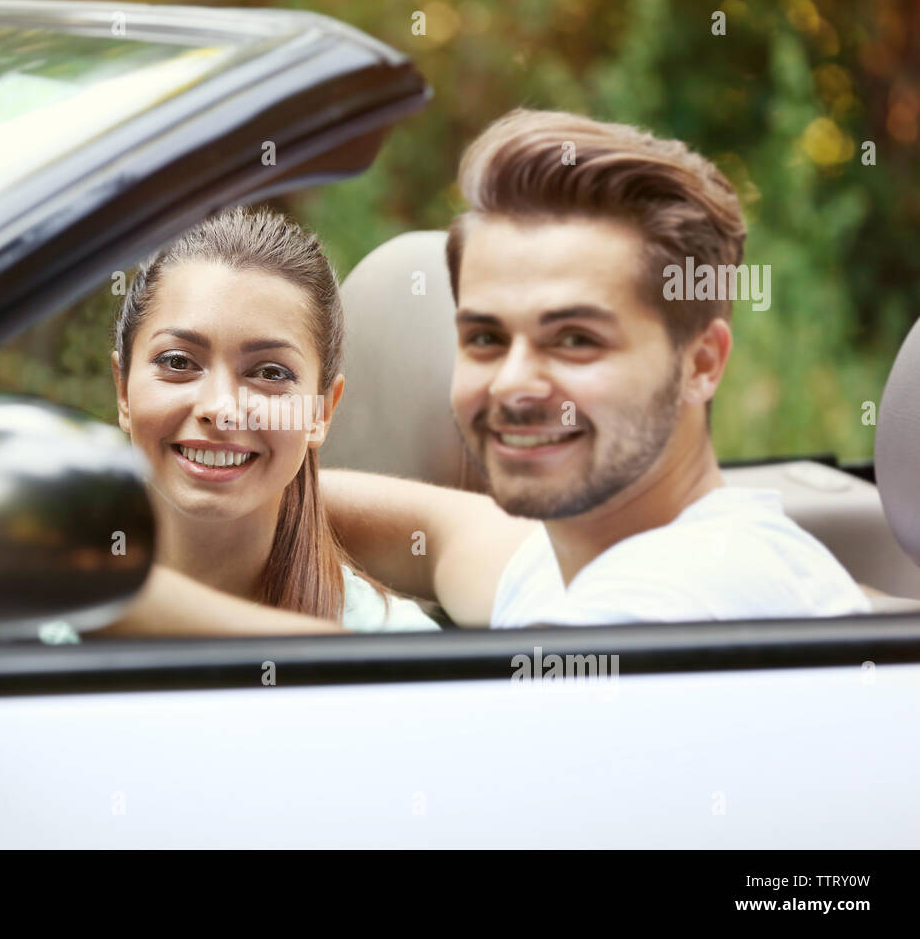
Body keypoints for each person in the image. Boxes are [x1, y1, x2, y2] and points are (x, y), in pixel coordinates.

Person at [323, 109, 870, 626]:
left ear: (701, 364)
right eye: (486, 338)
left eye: (576, 340)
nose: (512, 385)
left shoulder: (665, 606)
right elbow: (441, 531)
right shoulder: (601, 554)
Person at [84, 205, 440, 639]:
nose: (220, 408)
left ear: (321, 412)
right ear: (123, 390)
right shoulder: (27, 617)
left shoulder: (395, 648)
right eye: (178, 362)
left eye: (271, 373)